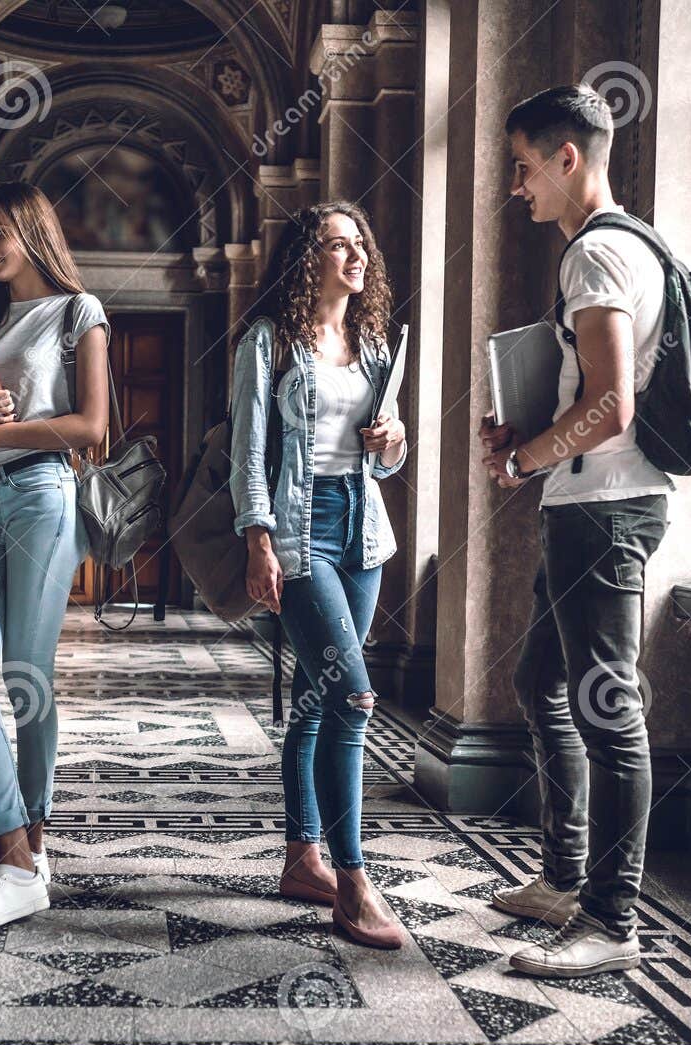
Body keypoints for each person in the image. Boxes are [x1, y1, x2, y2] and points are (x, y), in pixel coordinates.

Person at [481, 85, 674, 978]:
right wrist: (528, 432)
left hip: (604, 507)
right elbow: (587, 394)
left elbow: (609, 405)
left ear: (567, 160)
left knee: (608, 711)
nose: (515, 187)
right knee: (540, 682)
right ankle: (565, 875)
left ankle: (610, 919)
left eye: (522, 167)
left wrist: (524, 462)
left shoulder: (596, 256)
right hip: (587, 503)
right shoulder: (621, 245)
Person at [231, 202, 409, 951]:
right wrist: (258, 542)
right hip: (302, 532)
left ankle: (303, 856)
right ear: (308, 258)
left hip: (361, 527)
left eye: (359, 241)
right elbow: (247, 453)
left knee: (314, 697)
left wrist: (395, 440)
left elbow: (386, 456)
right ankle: (354, 880)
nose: (355, 254)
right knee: (354, 698)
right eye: (338, 243)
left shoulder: (373, 345)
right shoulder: (267, 343)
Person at [0, 181, 109, 933]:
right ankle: (15, 852)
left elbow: (92, 425)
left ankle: (28, 850)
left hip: (43, 497)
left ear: (34, 232)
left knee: (25, 678)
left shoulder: (78, 312)